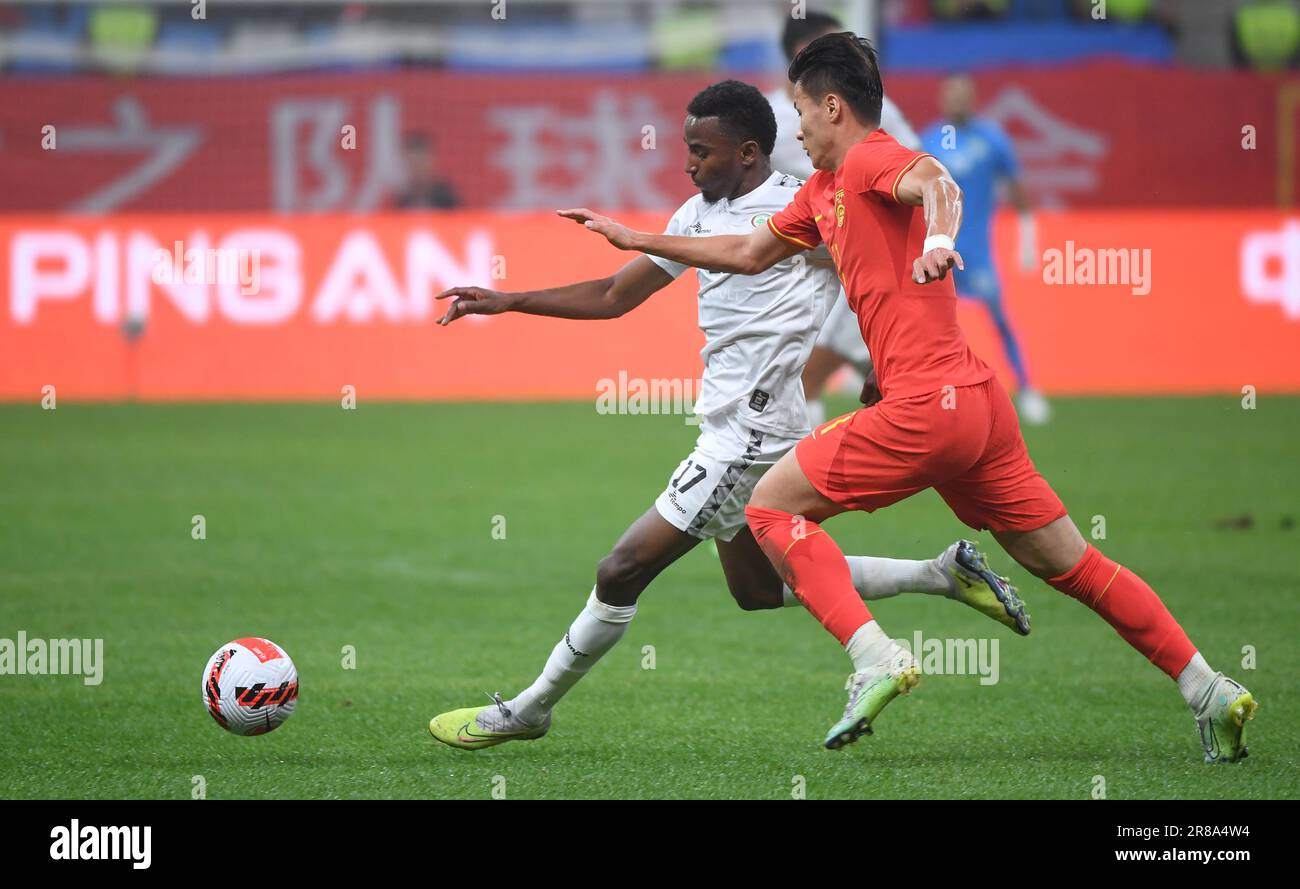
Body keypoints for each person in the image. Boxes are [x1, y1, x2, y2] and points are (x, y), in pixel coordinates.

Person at [558, 35, 1257, 762]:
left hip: (927, 407)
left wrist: (940, 238)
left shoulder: (868, 160)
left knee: (768, 507)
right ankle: (1209, 687)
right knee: (1074, 564)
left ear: (833, 107)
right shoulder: (821, 192)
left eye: (800, 110)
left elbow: (937, 184)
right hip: (978, 406)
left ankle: (876, 659)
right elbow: (747, 251)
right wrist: (635, 236)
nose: (794, 127)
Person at [426, 80, 1027, 750]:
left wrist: (886, 369)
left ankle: (529, 709)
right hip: (747, 430)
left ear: (746, 153)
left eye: (699, 151)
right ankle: (942, 572)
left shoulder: (803, 213)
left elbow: (871, 282)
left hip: (750, 434)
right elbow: (612, 294)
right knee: (757, 587)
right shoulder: (693, 214)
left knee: (620, 568)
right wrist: (507, 300)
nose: (687, 162)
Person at [767, 9, 922, 427]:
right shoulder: (767, 121)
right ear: (806, 51)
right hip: (807, 272)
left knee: (808, 377)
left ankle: (808, 476)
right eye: (840, 44)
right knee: (890, 390)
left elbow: (916, 166)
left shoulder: (869, 110)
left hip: (869, 271)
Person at [922, 74, 1049, 424]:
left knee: (999, 318)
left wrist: (1028, 238)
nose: (958, 101)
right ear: (943, 99)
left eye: (964, 95)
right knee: (928, 326)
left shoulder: (992, 139)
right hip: (938, 250)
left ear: (974, 98)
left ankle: (1027, 388)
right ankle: (930, 394)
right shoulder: (929, 141)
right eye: (952, 95)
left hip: (977, 253)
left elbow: (1017, 188)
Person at [393, 132, 460, 210]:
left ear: (432, 161)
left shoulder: (447, 197)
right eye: (413, 164)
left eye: (421, 163)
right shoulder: (402, 200)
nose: (418, 170)